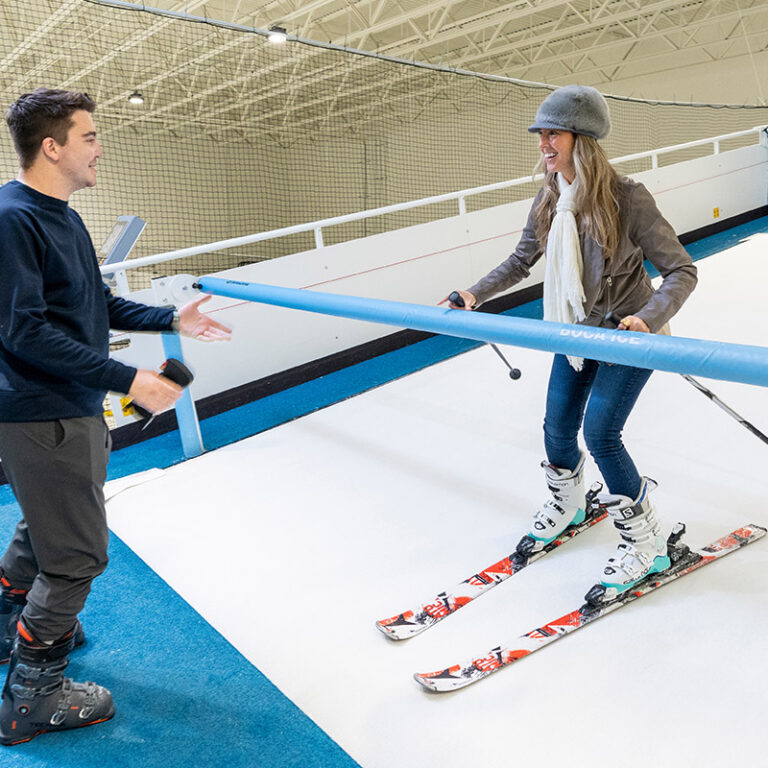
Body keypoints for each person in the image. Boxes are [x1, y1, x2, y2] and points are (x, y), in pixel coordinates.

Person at [0, 88, 231, 746]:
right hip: (40, 412)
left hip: (69, 407)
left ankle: (7, 618)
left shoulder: (63, 217)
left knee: (48, 524)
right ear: (53, 146)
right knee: (75, 558)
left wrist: (169, 319)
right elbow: (25, 333)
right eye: (90, 136)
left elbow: (91, 305)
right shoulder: (12, 218)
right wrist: (131, 378)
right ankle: (31, 696)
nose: (100, 147)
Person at [444, 85, 697, 604]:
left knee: (601, 433)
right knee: (557, 427)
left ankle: (646, 542)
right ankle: (570, 504)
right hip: (572, 331)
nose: (542, 144)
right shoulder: (550, 196)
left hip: (627, 337)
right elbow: (521, 260)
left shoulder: (628, 198)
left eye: (551, 134)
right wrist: (473, 293)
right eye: (541, 134)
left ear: (581, 140)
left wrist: (647, 319)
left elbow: (680, 270)